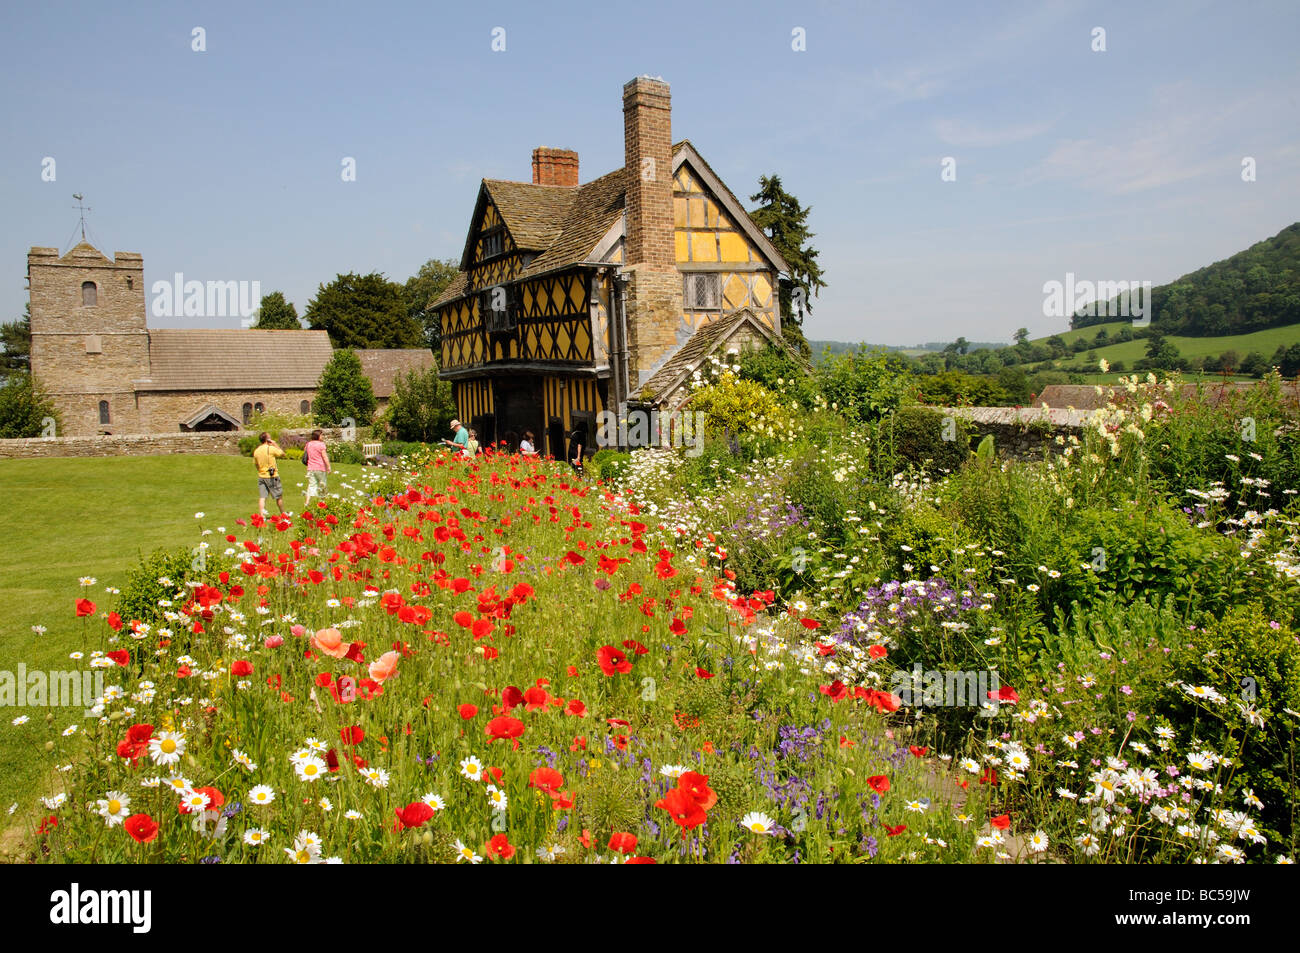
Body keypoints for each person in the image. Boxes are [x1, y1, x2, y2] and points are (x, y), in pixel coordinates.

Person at [252, 432, 287, 517]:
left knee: (262, 497)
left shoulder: (257, 451)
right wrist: (275, 444)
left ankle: (261, 516)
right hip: (272, 476)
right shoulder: (271, 449)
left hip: (262, 476)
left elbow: (256, 464)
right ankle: (283, 513)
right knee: (278, 496)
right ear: (267, 439)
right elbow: (282, 454)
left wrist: (261, 471)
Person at [303, 429, 332, 507]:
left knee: (311, 485)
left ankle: (307, 502)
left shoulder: (308, 444)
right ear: (318, 436)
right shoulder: (321, 444)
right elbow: (324, 456)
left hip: (311, 467)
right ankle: (322, 503)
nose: (323, 436)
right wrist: (329, 466)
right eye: (322, 435)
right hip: (320, 467)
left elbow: (305, 451)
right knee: (322, 485)